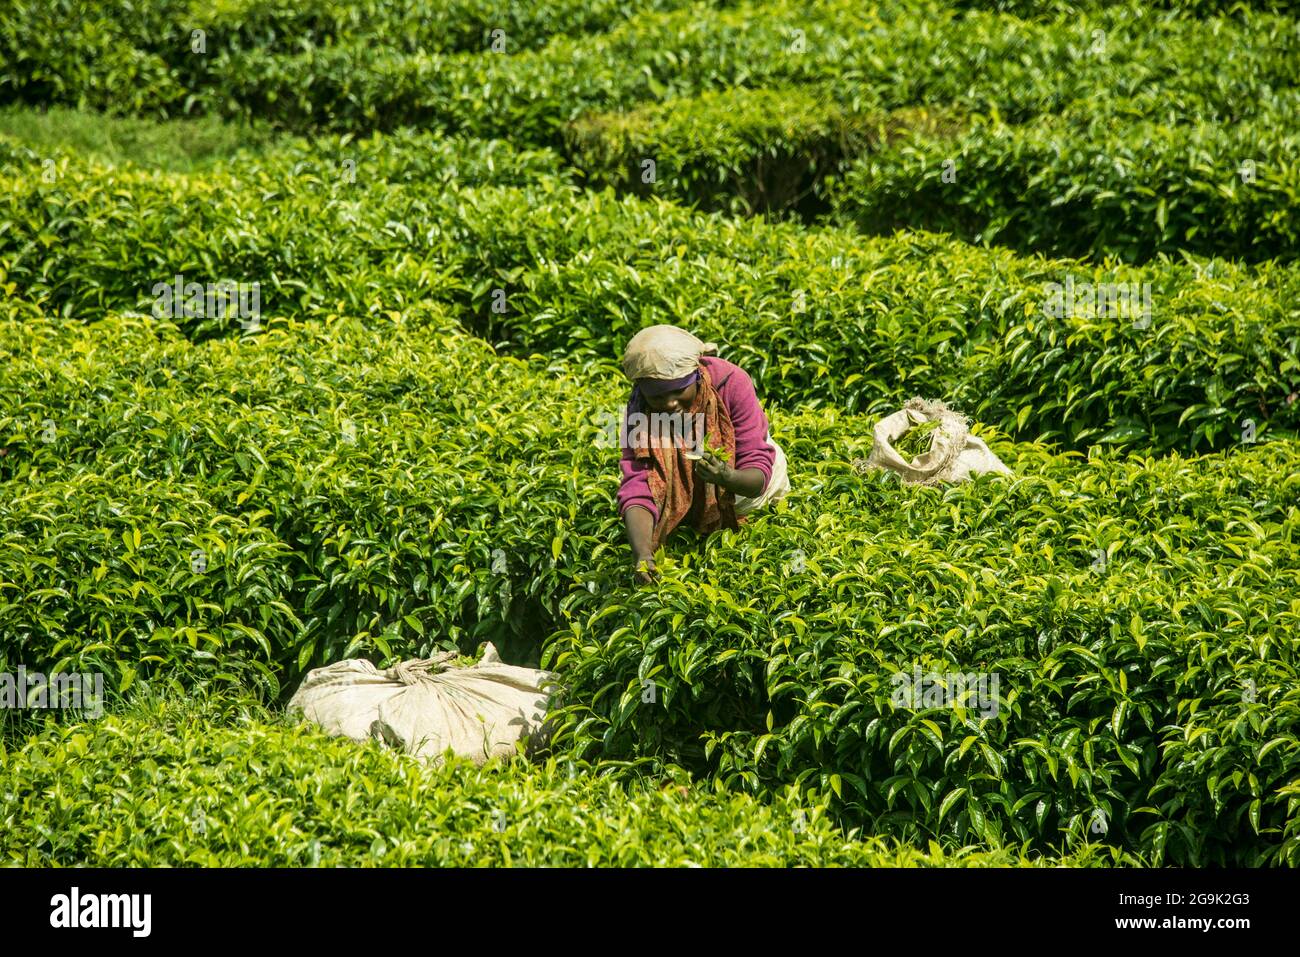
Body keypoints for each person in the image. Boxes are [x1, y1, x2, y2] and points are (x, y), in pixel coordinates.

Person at [616, 324, 790, 584]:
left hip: (750, 491)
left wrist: (726, 476)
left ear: (695, 376)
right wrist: (642, 553)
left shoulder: (731, 383)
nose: (670, 404)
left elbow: (756, 469)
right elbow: (638, 484)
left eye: (678, 391)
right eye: (659, 397)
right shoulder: (640, 406)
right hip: (693, 505)